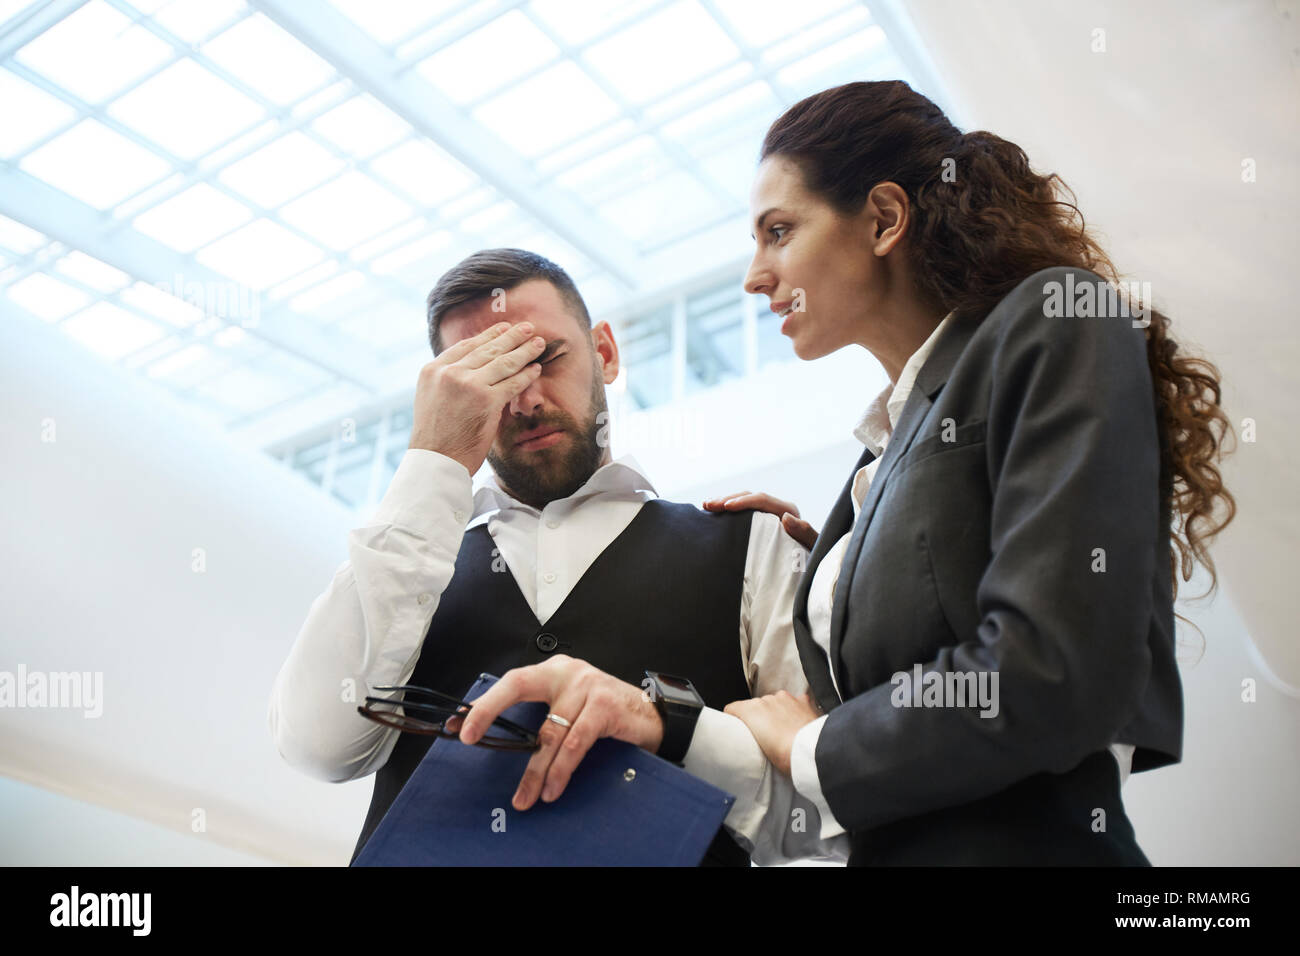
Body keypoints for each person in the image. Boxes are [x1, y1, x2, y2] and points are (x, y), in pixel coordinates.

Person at [461, 80, 1236, 865]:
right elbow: (832, 785)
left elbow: (1049, 670)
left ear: (884, 218)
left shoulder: (1057, 315)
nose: (754, 275)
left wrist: (816, 745)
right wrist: (819, 583)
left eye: (778, 230)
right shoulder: (877, 461)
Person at [268, 248, 846, 866]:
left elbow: (826, 813)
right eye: (485, 379)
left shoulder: (751, 542)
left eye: (542, 357)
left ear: (605, 352)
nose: (522, 399)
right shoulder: (403, 561)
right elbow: (316, 747)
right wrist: (432, 462)